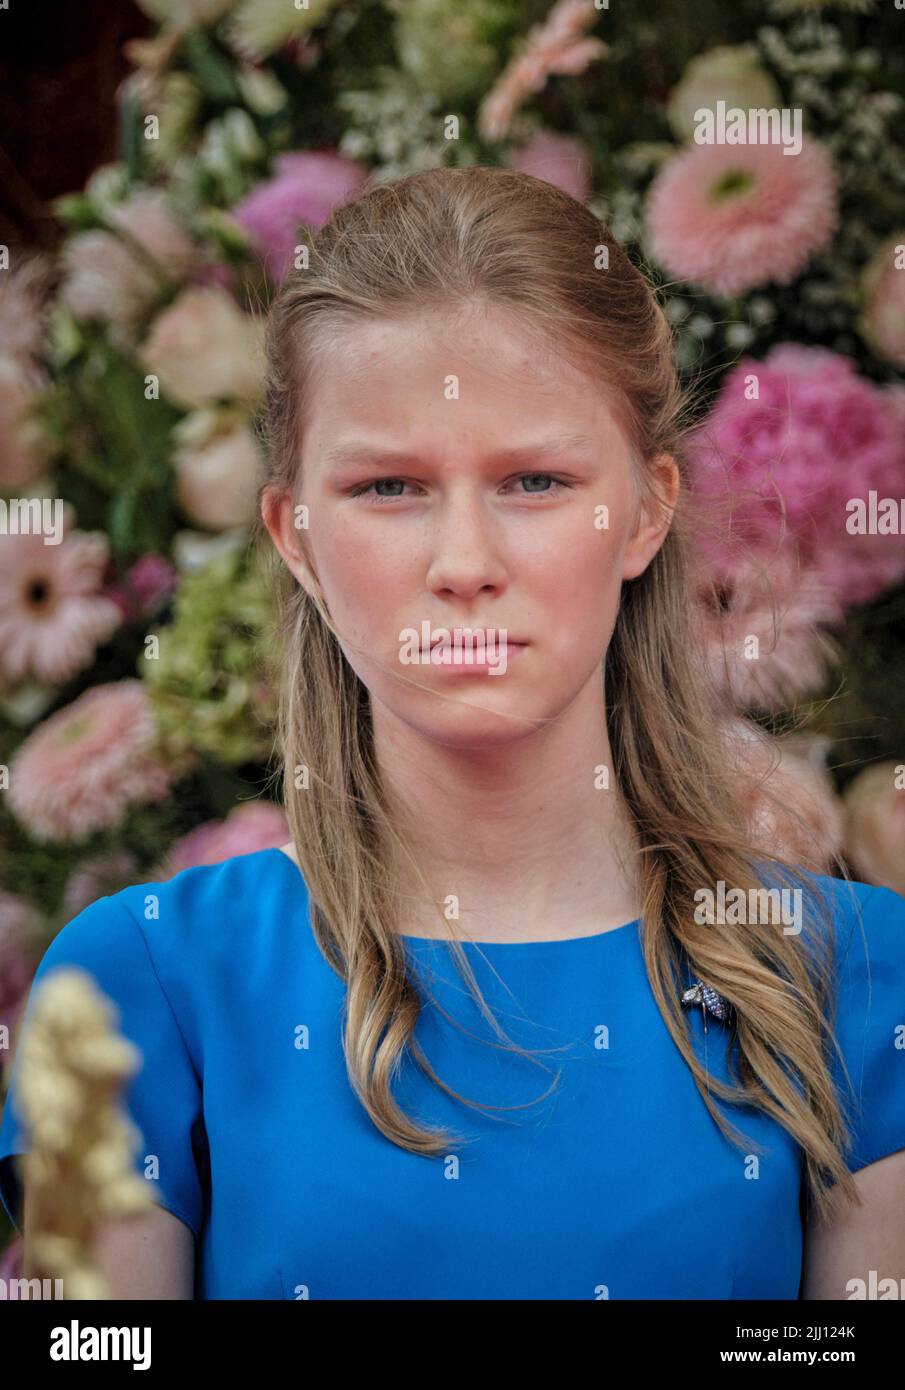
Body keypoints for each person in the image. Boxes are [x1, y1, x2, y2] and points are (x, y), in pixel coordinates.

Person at [1, 165, 904, 1300]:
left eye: (533, 479)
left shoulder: (859, 980)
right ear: (294, 535)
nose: (464, 564)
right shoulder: (136, 982)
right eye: (388, 487)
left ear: (644, 508)